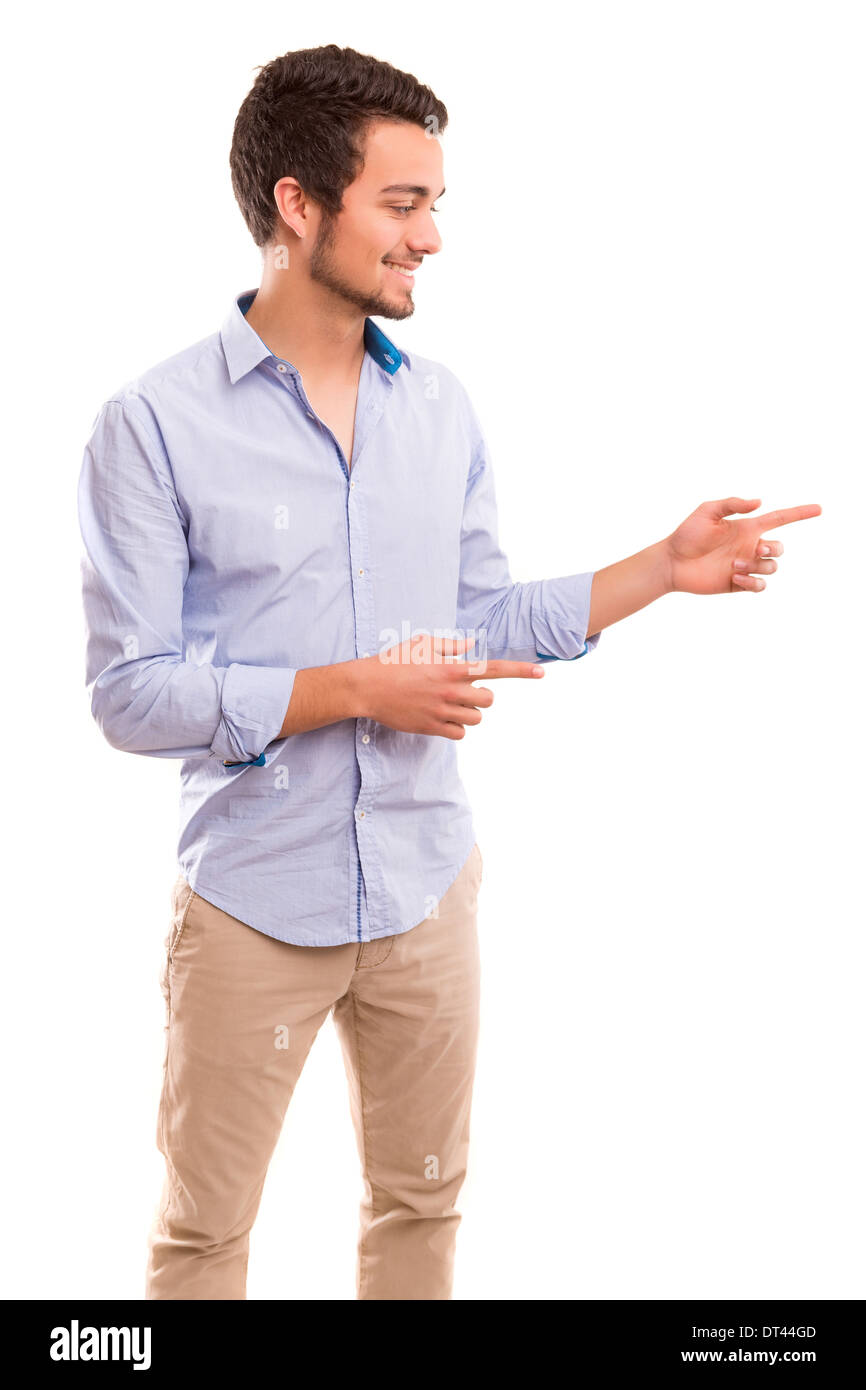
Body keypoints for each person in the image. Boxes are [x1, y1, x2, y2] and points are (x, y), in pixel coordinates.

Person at [77, 43, 821, 1301]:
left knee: (421, 1207)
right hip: (255, 902)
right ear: (296, 205)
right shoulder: (152, 423)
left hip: (428, 888)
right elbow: (130, 693)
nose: (431, 238)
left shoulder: (440, 409)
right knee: (204, 1239)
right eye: (401, 202)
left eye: (435, 203)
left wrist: (661, 565)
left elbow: (475, 618)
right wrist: (358, 688)